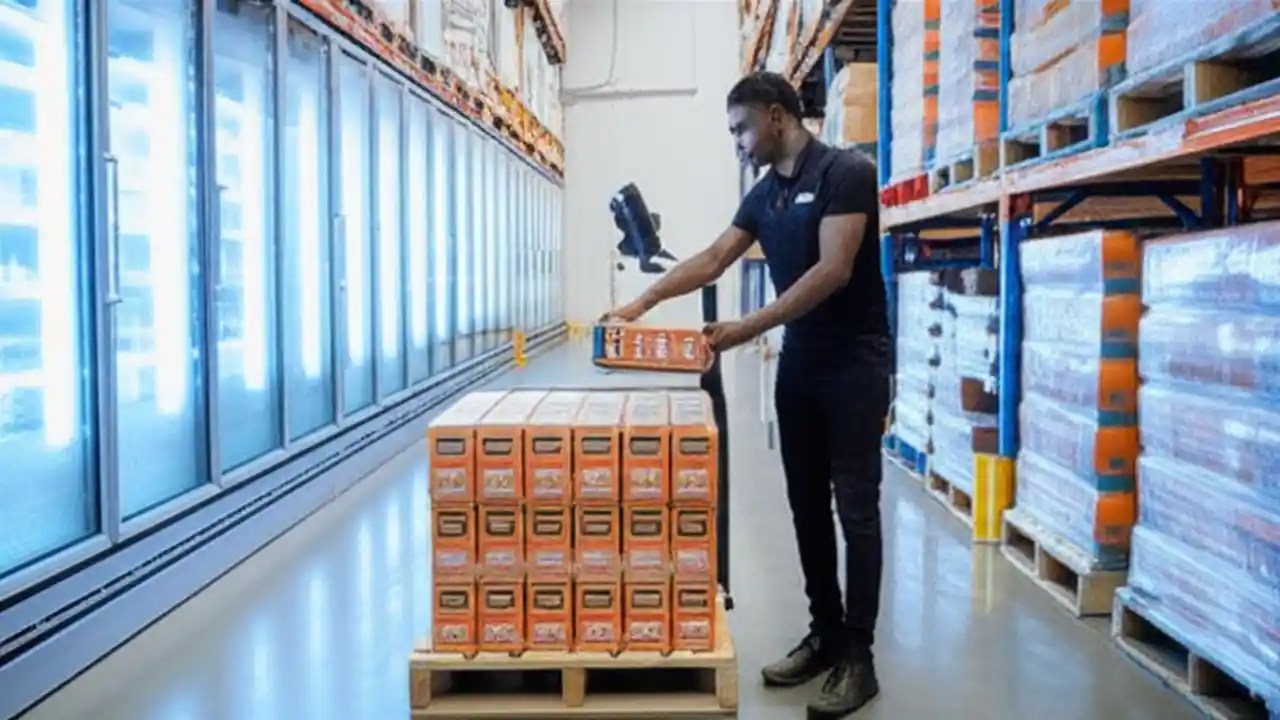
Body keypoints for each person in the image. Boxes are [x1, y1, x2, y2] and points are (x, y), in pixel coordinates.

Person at [606, 71, 891, 718]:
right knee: (805, 506)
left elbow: (833, 270)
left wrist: (744, 329)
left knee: (857, 509)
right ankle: (825, 633)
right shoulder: (765, 196)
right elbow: (713, 257)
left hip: (854, 364)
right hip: (801, 365)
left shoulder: (847, 174)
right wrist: (642, 302)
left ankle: (859, 655)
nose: (736, 141)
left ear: (775, 116)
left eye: (740, 128)